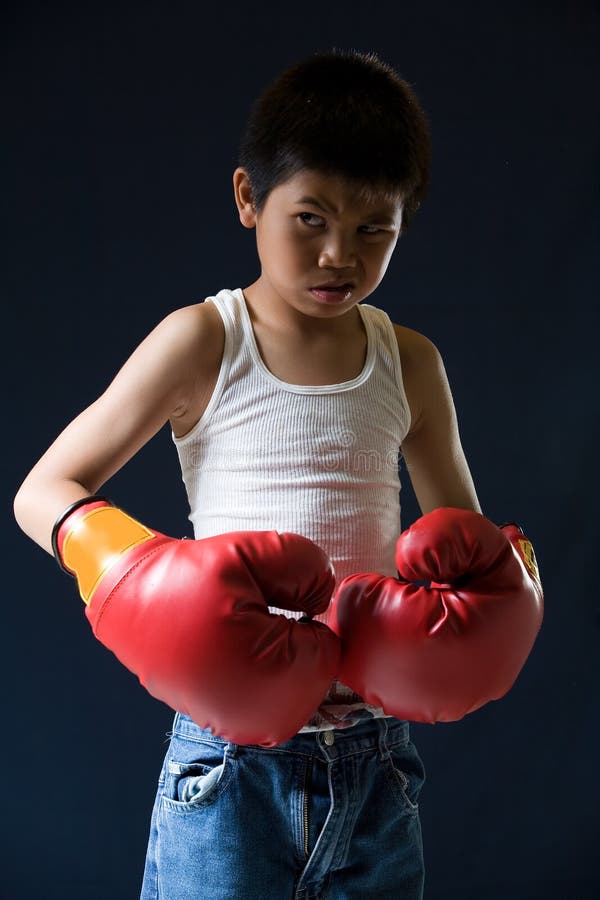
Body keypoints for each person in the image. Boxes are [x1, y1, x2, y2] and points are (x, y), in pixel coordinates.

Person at [14, 48, 537, 900]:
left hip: (375, 762)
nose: (340, 253)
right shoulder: (203, 340)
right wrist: (147, 581)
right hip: (228, 762)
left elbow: (468, 551)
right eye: (311, 218)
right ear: (249, 199)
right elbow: (42, 492)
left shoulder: (410, 361)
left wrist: (489, 612)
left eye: (376, 229)